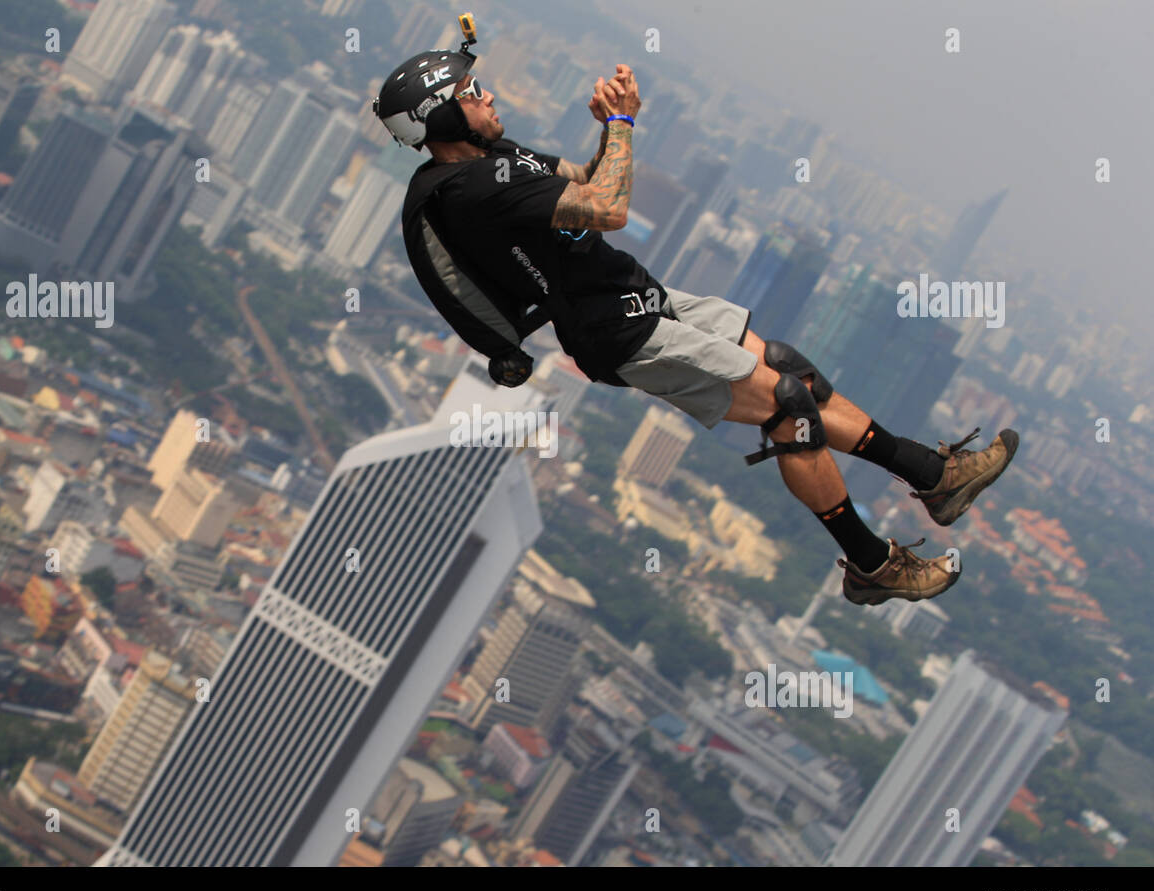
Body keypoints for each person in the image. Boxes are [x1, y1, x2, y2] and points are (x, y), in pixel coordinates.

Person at [375, 50, 1018, 606]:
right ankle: (874, 567)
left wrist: (609, 131)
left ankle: (936, 477)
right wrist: (625, 124)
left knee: (794, 371)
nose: (486, 95)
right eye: (469, 93)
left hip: (636, 294)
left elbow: (590, 181)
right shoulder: (468, 190)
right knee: (788, 408)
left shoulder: (496, 161)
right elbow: (610, 207)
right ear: (441, 117)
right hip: (616, 332)